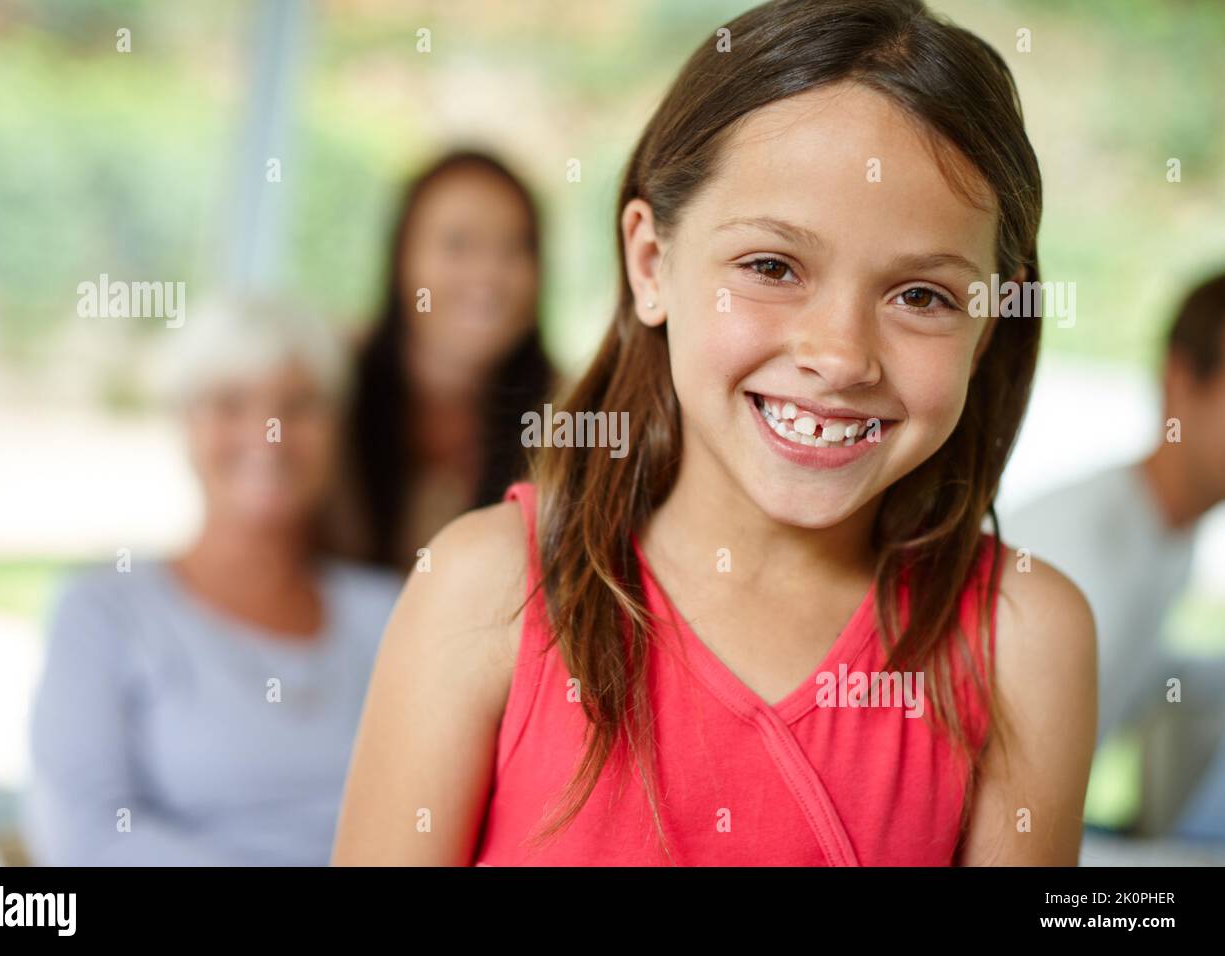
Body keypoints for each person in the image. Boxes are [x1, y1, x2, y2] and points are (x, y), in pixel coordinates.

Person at [332, 0, 1096, 866]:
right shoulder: (482, 593)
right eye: (772, 267)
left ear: (989, 323)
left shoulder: (1023, 642)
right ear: (652, 265)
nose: (840, 357)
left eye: (922, 295)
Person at [24, 300, 402, 866]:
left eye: (299, 406)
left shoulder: (391, 612)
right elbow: (84, 842)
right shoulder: (103, 610)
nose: (267, 433)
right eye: (229, 403)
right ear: (184, 423)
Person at [1002, 271, 1225, 832]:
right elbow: (1008, 835)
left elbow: (1146, 671)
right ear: (1181, 380)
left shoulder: (1163, 526)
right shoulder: (1082, 561)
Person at [337, 151, 556, 571]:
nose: (489, 275)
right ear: (402, 257)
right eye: (458, 244)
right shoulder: (327, 386)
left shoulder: (575, 418)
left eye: (515, 247)